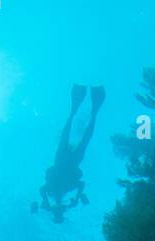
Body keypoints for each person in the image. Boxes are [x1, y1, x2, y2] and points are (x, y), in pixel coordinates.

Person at [35, 85, 105, 223]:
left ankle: (78, 106)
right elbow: (81, 184)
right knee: (84, 138)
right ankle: (92, 107)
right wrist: (77, 198)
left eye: (57, 212)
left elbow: (42, 189)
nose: (59, 208)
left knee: (68, 136)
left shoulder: (51, 192)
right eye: (60, 212)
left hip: (61, 161)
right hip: (72, 162)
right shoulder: (65, 190)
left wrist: (47, 203)